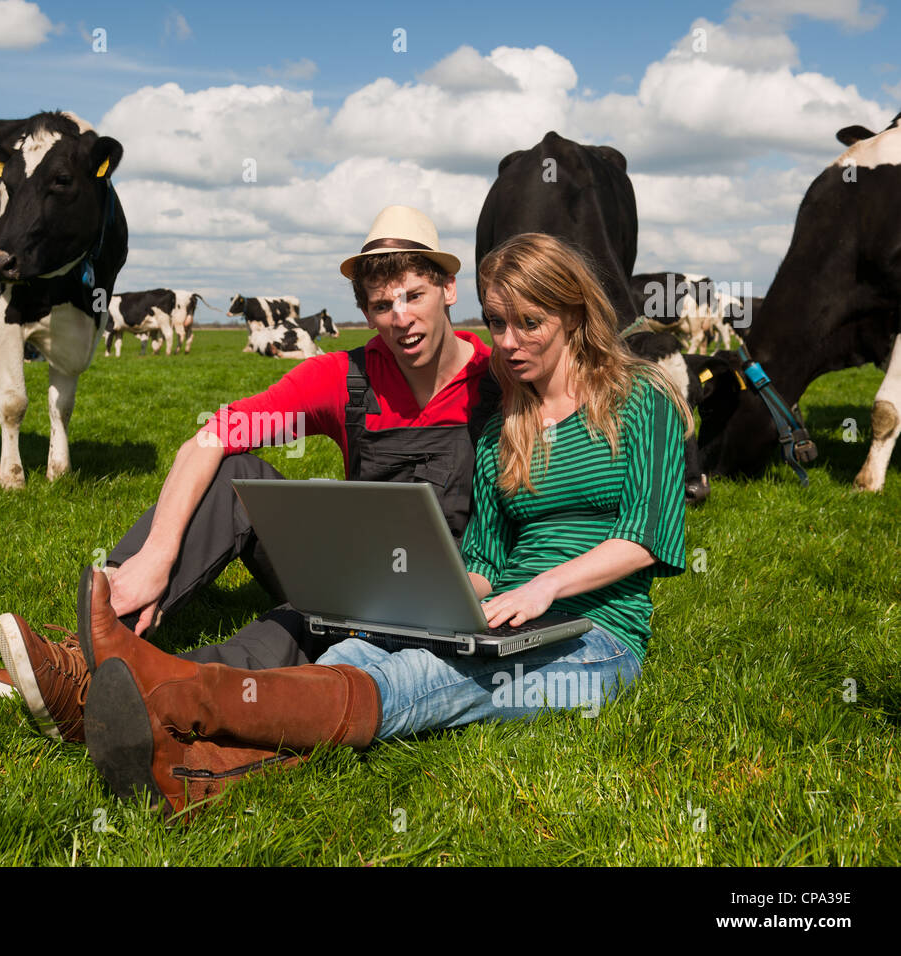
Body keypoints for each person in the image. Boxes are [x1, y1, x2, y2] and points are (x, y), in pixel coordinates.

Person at [78, 231, 691, 818]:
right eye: (499, 323)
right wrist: (428, 602)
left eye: (530, 323)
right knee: (352, 651)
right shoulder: (508, 420)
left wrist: (544, 587)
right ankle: (195, 772)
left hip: (596, 638)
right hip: (504, 616)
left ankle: (183, 697)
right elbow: (483, 559)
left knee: (423, 679)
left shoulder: (641, 398)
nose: (508, 342)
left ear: (574, 314)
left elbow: (647, 536)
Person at [0, 206, 499, 743]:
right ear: (366, 313)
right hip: (353, 571)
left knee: (297, 629)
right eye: (383, 304)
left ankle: (133, 691)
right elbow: (209, 438)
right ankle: (82, 651)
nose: (401, 317)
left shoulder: (500, 379)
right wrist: (157, 553)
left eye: (415, 295)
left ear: (449, 290)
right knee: (234, 473)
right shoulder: (347, 377)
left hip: (454, 592)